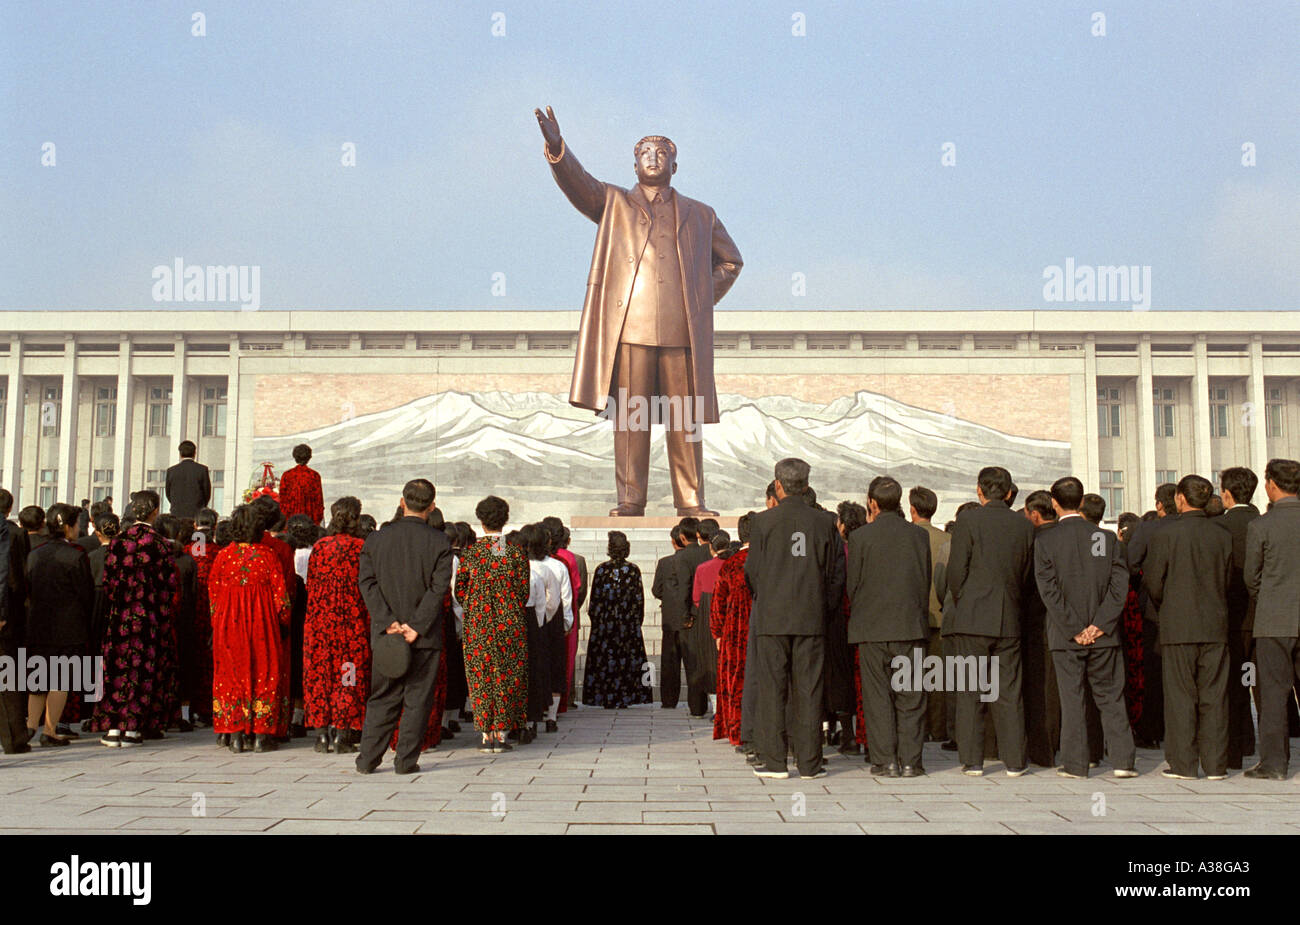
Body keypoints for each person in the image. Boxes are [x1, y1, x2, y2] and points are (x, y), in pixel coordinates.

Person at [535, 106, 742, 517]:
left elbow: (731, 262)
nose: (653, 156)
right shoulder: (613, 203)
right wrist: (557, 148)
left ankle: (691, 499)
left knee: (685, 418)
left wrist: (699, 297)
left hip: (682, 329)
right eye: (646, 151)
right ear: (634, 163)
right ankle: (630, 499)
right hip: (630, 325)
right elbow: (579, 185)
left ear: (675, 165)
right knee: (632, 419)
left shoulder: (702, 214)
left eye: (662, 152)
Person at [744, 458, 843, 780]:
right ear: (807, 483)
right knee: (809, 690)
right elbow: (833, 573)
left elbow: (753, 572)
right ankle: (810, 763)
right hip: (811, 617)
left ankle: (775, 762)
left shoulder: (763, 522)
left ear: (778, 485)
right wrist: (821, 605)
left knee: (773, 689)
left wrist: (769, 597)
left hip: (773, 618)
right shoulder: (824, 522)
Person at [1033, 477, 1137, 779]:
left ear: (1054, 503)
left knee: (1072, 698)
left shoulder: (1046, 541)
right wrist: (1100, 625)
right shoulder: (1105, 539)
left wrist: (1075, 627)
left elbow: (1048, 590)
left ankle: (1077, 764)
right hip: (1103, 635)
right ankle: (1123, 761)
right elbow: (1120, 585)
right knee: (1110, 697)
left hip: (1066, 636)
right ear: (1081, 502)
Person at [354, 479, 452, 774]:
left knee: (382, 697)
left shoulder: (376, 539)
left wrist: (388, 622)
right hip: (423, 636)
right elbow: (439, 589)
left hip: (387, 635)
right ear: (432, 506)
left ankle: (367, 759)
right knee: (418, 699)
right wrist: (416, 626)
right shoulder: (439, 542)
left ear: (402, 502)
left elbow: (367, 583)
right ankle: (405, 760)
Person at [943, 465, 1033, 776]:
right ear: (1009, 493)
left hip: (972, 616)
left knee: (970, 691)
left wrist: (964, 597)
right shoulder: (1023, 525)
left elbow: (957, 569)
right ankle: (1015, 761)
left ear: (979, 490)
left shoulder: (968, 520)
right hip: (1009, 615)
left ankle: (973, 760)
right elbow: (1024, 572)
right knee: (1009, 691)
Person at [1142, 474, 1232, 780]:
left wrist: (1167, 605)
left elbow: (1153, 581)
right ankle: (1216, 764)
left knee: (1181, 695)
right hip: (1215, 624)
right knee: (1215, 696)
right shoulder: (1222, 535)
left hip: (1178, 624)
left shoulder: (1166, 534)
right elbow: (1228, 580)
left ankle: (1183, 764)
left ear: (1180, 498)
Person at [848, 476, 932, 777]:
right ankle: (911, 761)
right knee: (910, 696)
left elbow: (853, 586)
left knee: (878, 697)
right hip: (909, 625)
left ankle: (886, 760)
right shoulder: (918, 536)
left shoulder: (860, 538)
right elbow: (924, 582)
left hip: (871, 628)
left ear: (872, 503)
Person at [90, 491, 182, 747]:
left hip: (120, 615)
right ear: (154, 512)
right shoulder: (160, 543)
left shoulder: (118, 542)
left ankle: (112, 729)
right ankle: (132, 728)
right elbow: (169, 584)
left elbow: (108, 581)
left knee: (117, 667)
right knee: (142, 668)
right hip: (149, 616)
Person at [209, 504, 292, 754]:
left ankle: (234, 733)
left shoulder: (224, 556)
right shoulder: (267, 556)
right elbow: (281, 598)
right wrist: (283, 623)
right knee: (265, 673)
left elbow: (213, 595)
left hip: (228, 623)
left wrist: (217, 624)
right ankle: (260, 734)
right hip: (262, 623)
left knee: (230, 675)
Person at [455, 495, 530, 753]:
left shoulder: (471, 553)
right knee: (507, 675)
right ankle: (503, 731)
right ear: (505, 519)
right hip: (510, 622)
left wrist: (477, 604)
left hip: (478, 624)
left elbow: (460, 591)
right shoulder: (515, 552)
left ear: (481, 520)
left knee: (481, 674)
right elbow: (524, 592)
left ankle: (486, 733)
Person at [1243, 459, 1300, 780]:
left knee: (1275, 694)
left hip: (1274, 619)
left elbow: (1252, 577)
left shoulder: (1261, 526)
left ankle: (1275, 764)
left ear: (1272, 485)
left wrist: (1271, 598)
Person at [303, 496, 371, 754]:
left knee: (320, 672)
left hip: (320, 621)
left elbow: (312, 584)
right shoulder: (359, 547)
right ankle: (343, 733)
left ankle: (321, 733)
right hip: (350, 623)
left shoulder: (319, 547)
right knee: (347, 674)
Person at [23, 503, 94, 747]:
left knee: (38, 677)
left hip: (38, 623)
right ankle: (50, 730)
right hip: (68, 624)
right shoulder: (75, 555)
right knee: (60, 679)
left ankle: (31, 725)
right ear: (68, 526)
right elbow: (85, 592)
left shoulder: (35, 554)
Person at [1126, 482, 1179, 748]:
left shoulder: (1147, 529)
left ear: (1159, 504)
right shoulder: (1194, 527)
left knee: (1152, 672)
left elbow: (1131, 564)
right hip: (1188, 611)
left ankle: (1150, 730)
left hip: (1152, 611)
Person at [1216, 466, 1260, 769]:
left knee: (1233, 683)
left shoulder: (1218, 528)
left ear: (1227, 494)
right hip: (1262, 616)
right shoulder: (1263, 522)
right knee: (1259, 680)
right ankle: (1256, 742)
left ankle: (1237, 745)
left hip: (1230, 616)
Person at [582, 531, 653, 708]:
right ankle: (626, 697)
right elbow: (639, 599)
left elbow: (595, 600)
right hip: (627, 624)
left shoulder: (601, 569)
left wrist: (598, 622)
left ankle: (605, 697)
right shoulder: (633, 570)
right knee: (626, 660)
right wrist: (636, 621)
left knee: (605, 660)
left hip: (605, 625)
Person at [711, 513, 755, 748]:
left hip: (735, 632)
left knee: (736, 680)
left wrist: (717, 633)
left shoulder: (730, 565)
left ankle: (737, 729)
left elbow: (718, 603)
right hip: (762, 630)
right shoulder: (766, 560)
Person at [652, 524, 700, 714]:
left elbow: (656, 590)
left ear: (674, 541)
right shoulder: (696, 559)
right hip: (690, 616)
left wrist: (668, 598)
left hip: (671, 617)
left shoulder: (665, 563)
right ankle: (696, 702)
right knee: (692, 661)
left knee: (670, 661)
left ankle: (669, 700)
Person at [0, 489, 32, 753]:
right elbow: (17, 573)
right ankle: (14, 737)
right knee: (8, 674)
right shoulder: (14, 533)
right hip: (8, 610)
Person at [279, 443, 325, 525]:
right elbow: (318, 501)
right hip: (309, 520)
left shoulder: (287, 475)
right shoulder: (314, 475)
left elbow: (282, 500)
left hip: (290, 520)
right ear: (309, 457)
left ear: (294, 457)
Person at [164, 440, 211, 518]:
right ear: (195, 453)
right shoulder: (202, 470)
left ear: (180, 454)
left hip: (176, 514)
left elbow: (168, 493)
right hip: (196, 513)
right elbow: (207, 493)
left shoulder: (171, 471)